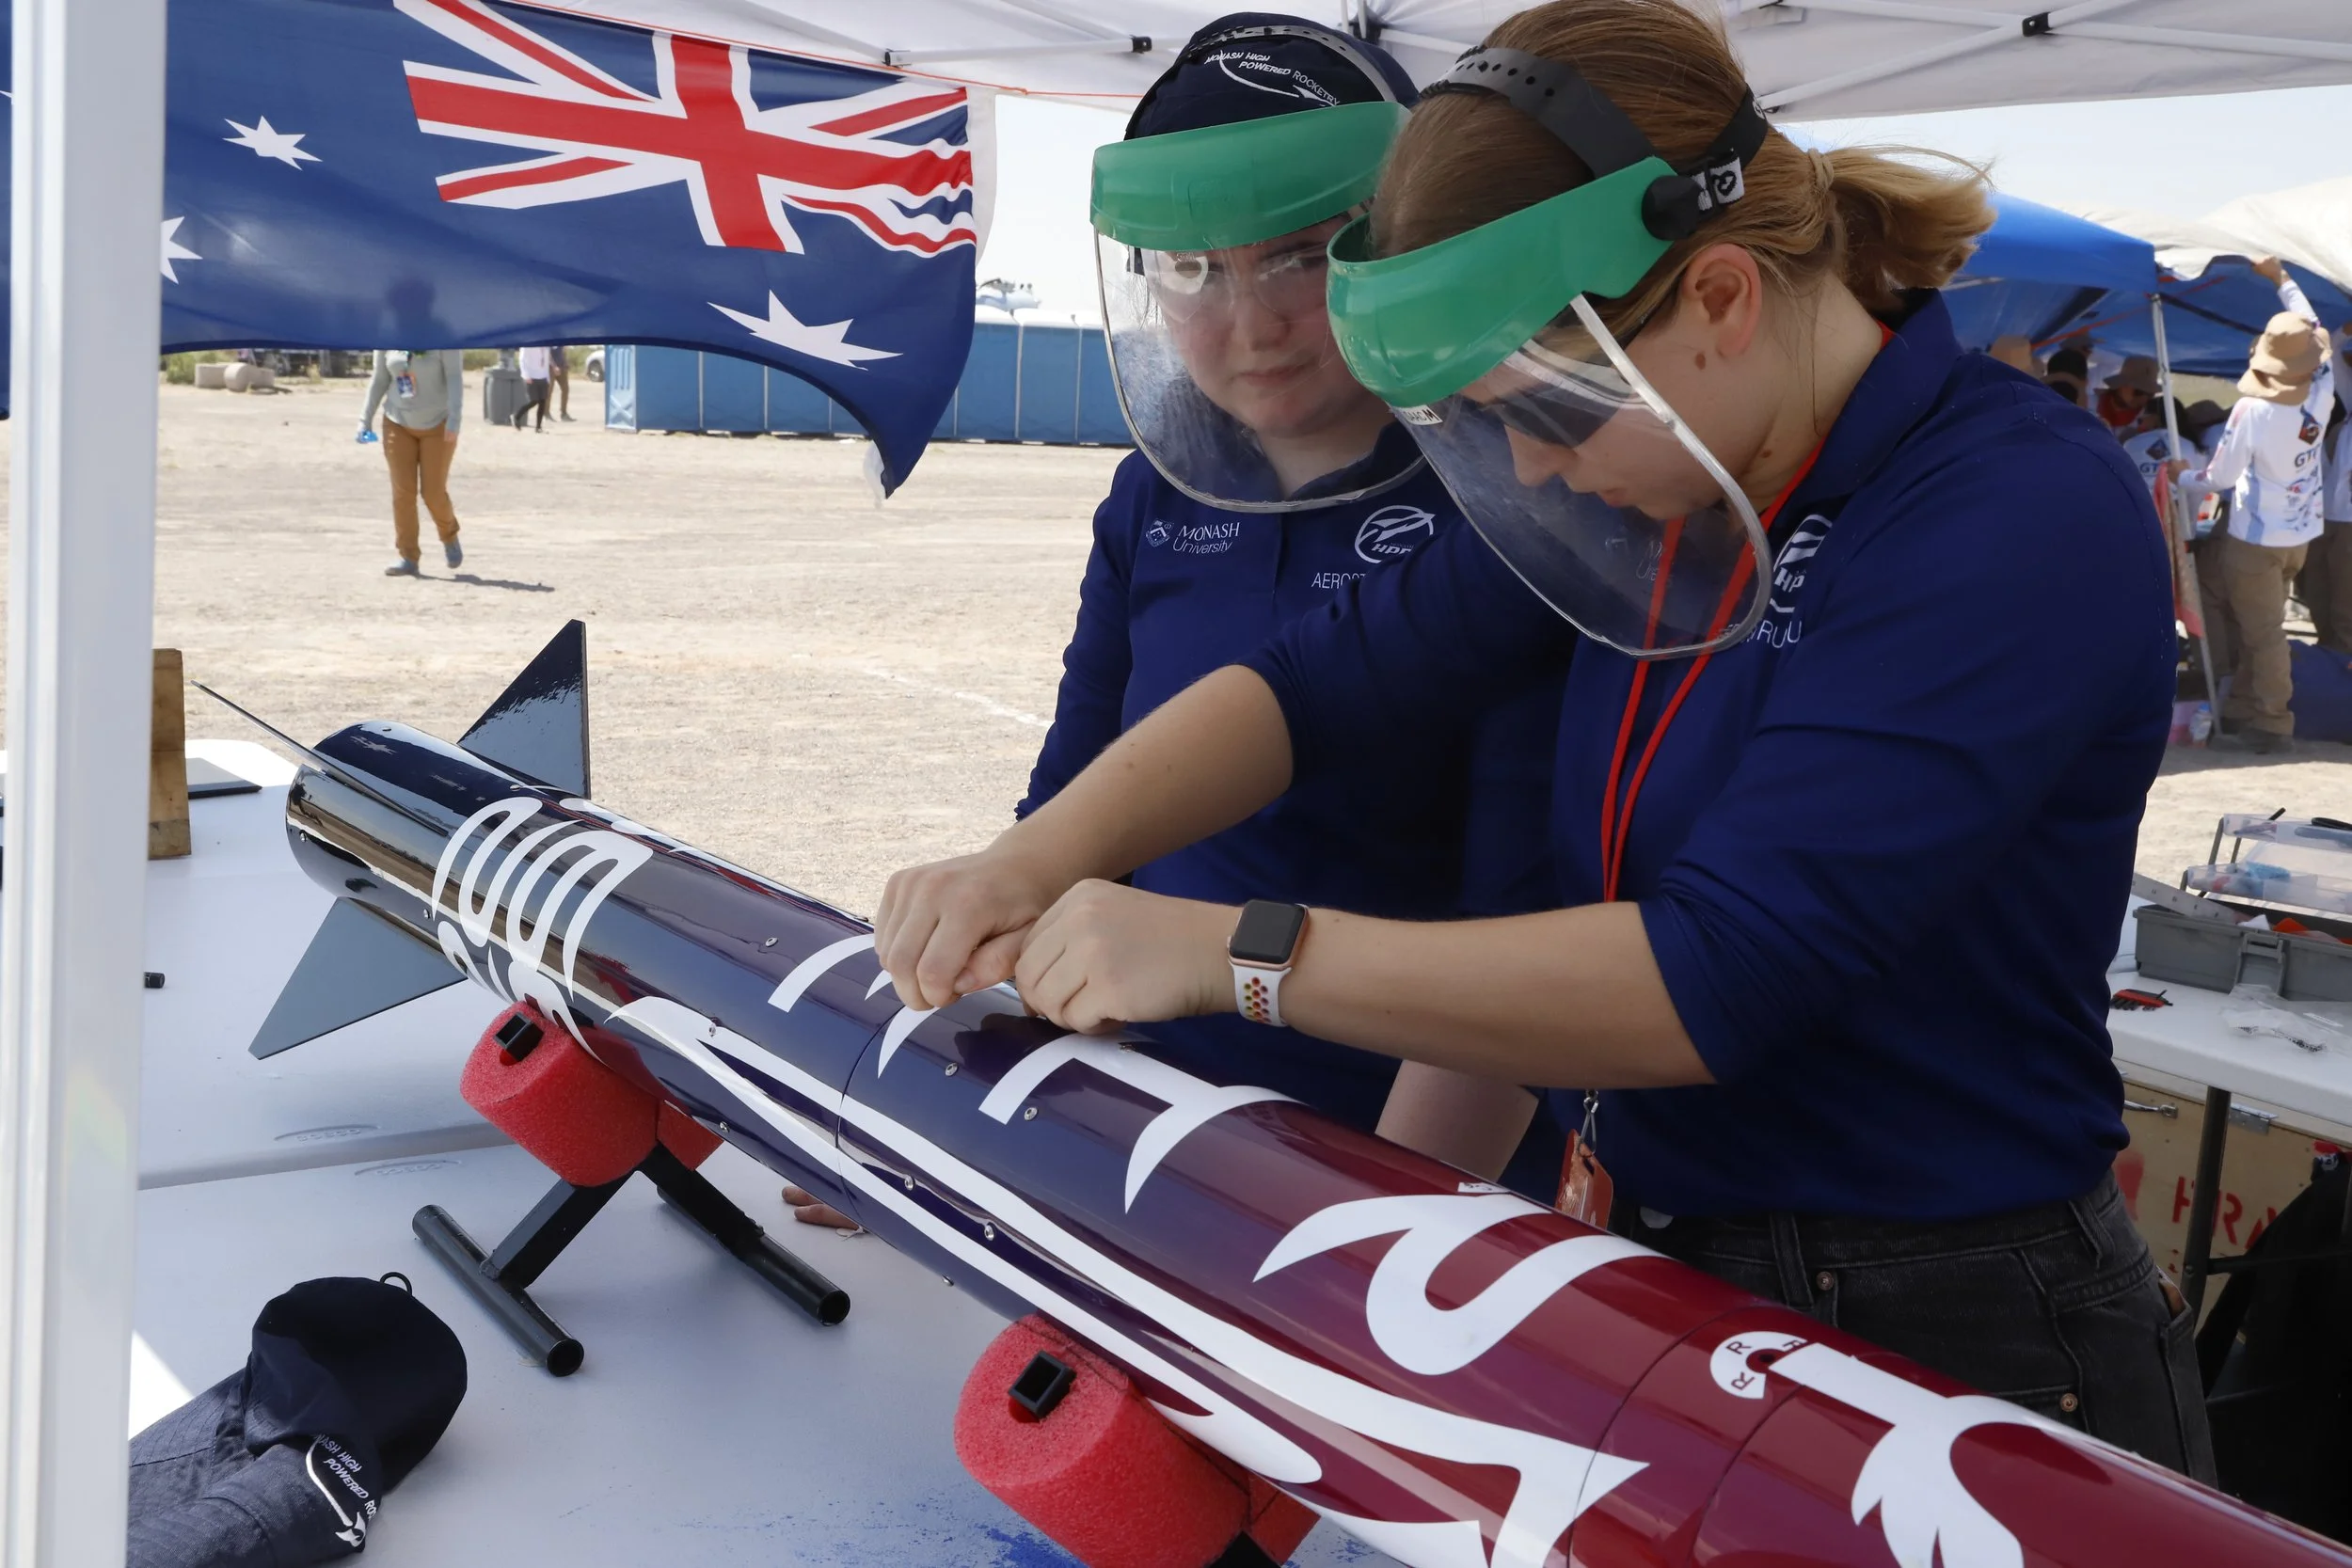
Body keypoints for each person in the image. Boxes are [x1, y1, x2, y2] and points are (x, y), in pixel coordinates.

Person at [873, 0, 2209, 1477]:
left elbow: (1718, 973)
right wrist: (1029, 859)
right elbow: (1323, 681)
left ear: (1720, 298)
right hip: (1655, 1249)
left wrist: (1237, 953)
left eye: (1549, 412)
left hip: (1946, 1316)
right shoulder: (1679, 474)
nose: (1529, 468)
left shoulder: (2009, 513)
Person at [782, 13, 1566, 1228]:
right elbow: (1065, 822)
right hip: (1145, 1124)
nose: (1249, 325)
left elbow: (1522, 928)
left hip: (1396, 1158)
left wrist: (1369, 1242)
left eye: (1299, 256)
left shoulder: (1514, 495)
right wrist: (962, 1124)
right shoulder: (1156, 493)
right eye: (1193, 270)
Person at [2180, 257, 2333, 753]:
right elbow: (2312, 324)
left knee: (2262, 633)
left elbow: (2219, 478)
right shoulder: (2323, 388)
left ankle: (2272, 721)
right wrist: (2282, 279)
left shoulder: (2253, 410)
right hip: (2299, 534)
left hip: (2256, 538)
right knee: (2259, 626)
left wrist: (2180, 476)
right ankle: (2244, 708)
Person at [358, 349, 464, 576]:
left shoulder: (444, 338)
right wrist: (364, 421)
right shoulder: (387, 337)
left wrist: (455, 420)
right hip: (397, 421)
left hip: (439, 424)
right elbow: (379, 379)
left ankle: (449, 534)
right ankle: (408, 556)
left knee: (433, 492)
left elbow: (454, 376)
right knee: (402, 492)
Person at [2095, 355, 2160, 435]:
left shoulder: (2149, 422)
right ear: (2121, 384)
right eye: (2139, 392)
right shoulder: (2088, 405)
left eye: (2150, 394)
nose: (2143, 399)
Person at [514, 345, 552, 432]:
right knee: (534, 401)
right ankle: (517, 416)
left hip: (543, 376)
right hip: (531, 376)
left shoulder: (546, 346)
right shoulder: (528, 345)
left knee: (543, 401)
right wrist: (526, 375)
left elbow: (546, 361)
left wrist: (548, 378)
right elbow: (522, 359)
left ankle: (538, 427)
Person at [548, 344, 575, 422]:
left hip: (561, 367)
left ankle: (563, 413)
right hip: (550, 368)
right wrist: (554, 366)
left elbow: (563, 352)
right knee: (549, 391)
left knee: (565, 389)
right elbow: (547, 354)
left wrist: (565, 363)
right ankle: (546, 413)